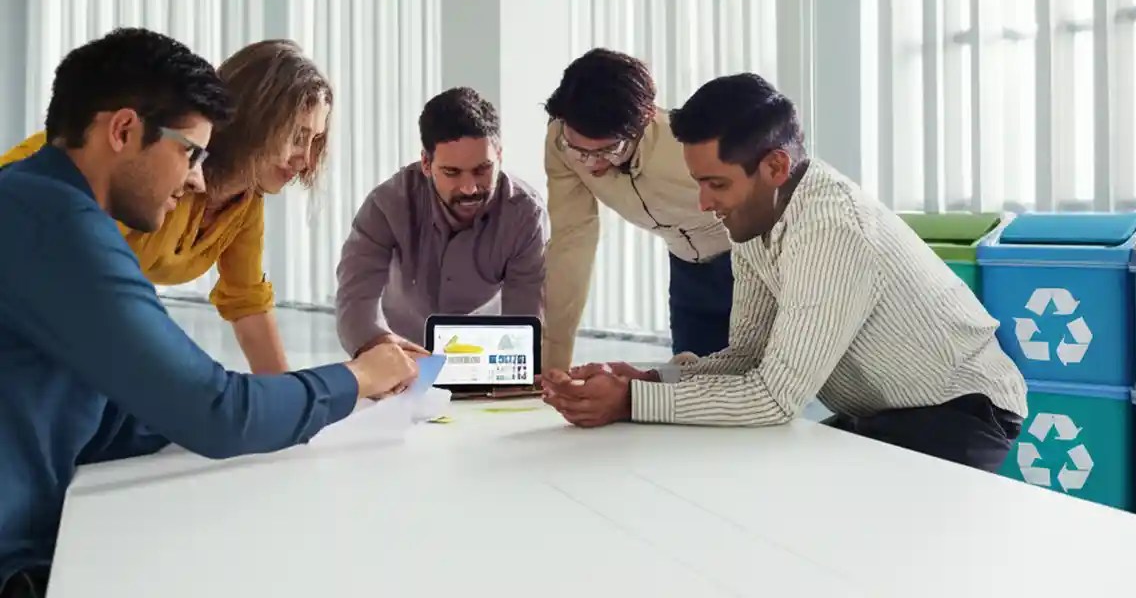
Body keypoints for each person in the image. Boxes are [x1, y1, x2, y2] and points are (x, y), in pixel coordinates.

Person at [0, 28, 420, 596]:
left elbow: (142, 407)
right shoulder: (56, 221)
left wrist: (287, 405)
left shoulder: (55, 211)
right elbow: (213, 410)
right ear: (123, 130)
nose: (198, 176)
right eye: (190, 152)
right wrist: (355, 378)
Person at [541, 73, 1029, 473]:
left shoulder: (831, 227)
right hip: (883, 414)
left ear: (775, 167)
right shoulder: (757, 222)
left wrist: (631, 401)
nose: (704, 203)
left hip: (962, 415)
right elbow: (750, 357)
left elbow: (774, 397)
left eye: (716, 184)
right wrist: (650, 377)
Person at [0, 38, 336, 375]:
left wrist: (288, 402)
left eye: (315, 141)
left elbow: (247, 301)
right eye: (297, 136)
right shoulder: (146, 176)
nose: (306, 161)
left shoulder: (243, 202)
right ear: (256, 119)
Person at [543, 48, 733, 372]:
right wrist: (550, 368)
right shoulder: (561, 144)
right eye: (579, 150)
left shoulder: (687, 145)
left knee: (751, 389)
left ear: (644, 120)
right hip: (687, 269)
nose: (592, 164)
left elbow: (764, 210)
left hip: (746, 258)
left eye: (607, 150)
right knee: (690, 388)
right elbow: (571, 242)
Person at [335, 87, 547, 357]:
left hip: (488, 352)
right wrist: (379, 352)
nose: (469, 188)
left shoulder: (526, 215)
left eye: (483, 169)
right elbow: (355, 301)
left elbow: (526, 323)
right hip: (400, 348)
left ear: (500, 156)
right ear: (426, 163)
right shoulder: (386, 205)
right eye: (452, 172)